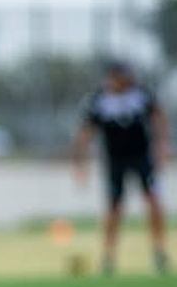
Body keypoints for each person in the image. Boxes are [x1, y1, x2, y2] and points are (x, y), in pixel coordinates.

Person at [73, 60, 170, 275]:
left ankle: (159, 251)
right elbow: (84, 132)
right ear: (112, 78)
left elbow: (158, 117)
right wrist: (79, 163)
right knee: (114, 208)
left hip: (142, 158)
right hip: (115, 160)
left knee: (153, 202)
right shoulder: (98, 100)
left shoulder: (141, 94)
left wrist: (162, 146)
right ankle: (108, 256)